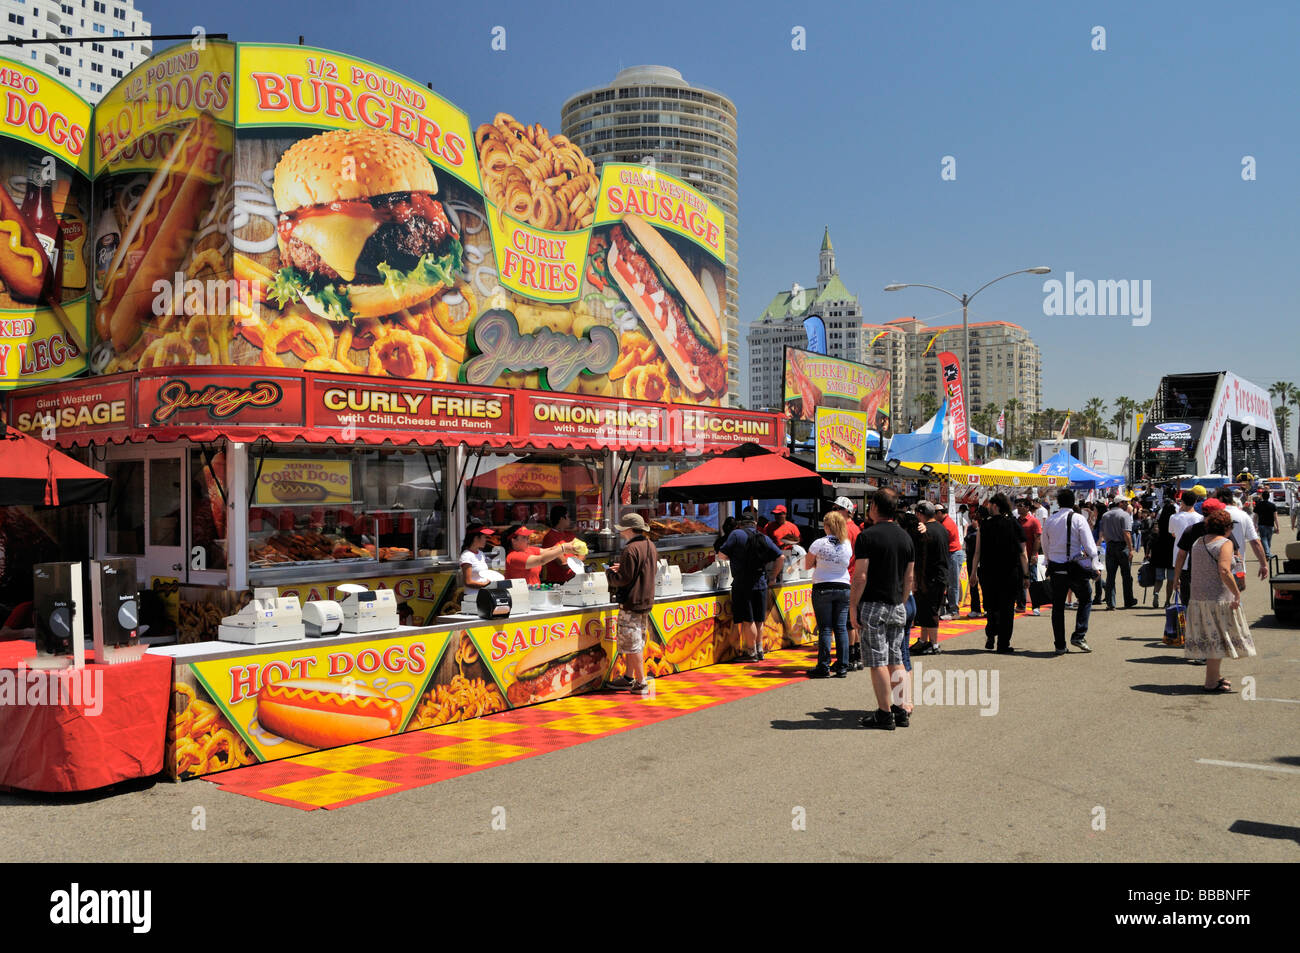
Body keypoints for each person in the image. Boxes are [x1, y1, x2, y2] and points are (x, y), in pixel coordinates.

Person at [849, 487, 915, 730]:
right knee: (896, 658)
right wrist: (902, 599)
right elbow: (909, 577)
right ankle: (900, 709)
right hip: (897, 604)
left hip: (873, 604)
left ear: (875, 507)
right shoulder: (906, 537)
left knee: (877, 660)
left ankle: (884, 713)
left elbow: (861, 575)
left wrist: (853, 605)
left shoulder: (868, 536)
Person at [1184, 508, 1256, 692]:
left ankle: (1214, 677)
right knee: (1217, 640)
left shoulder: (1198, 541)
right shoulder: (1225, 543)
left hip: (1199, 597)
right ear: (1226, 527)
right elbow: (1224, 570)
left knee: (1211, 639)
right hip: (1217, 598)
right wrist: (1237, 592)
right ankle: (1210, 681)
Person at [605, 514, 659, 696]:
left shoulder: (630, 549)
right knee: (637, 640)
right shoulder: (649, 545)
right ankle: (628, 677)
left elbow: (623, 579)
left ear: (628, 529)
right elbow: (642, 571)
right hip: (645, 600)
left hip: (631, 602)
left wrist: (609, 575)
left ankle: (641, 682)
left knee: (632, 642)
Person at [719, 511, 782, 661]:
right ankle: (760, 650)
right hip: (761, 583)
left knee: (748, 620)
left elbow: (721, 555)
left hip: (742, 584)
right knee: (760, 620)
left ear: (740, 524)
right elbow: (781, 556)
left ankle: (751, 652)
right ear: (754, 524)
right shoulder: (764, 537)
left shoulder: (736, 535)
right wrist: (772, 576)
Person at [1042, 488, 1098, 654]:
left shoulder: (1050, 520)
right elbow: (1090, 547)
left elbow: (1045, 546)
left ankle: (1059, 644)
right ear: (1073, 502)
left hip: (1056, 568)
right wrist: (1095, 566)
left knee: (1057, 607)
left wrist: (1048, 562)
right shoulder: (1078, 519)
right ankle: (1079, 635)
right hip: (1075, 568)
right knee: (1086, 598)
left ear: (1058, 502)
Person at [805, 510, 853, 678]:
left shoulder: (818, 543)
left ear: (827, 526)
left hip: (822, 585)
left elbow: (806, 564)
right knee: (840, 628)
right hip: (843, 586)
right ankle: (842, 666)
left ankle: (823, 666)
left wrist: (819, 563)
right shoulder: (846, 544)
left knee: (825, 628)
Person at [977, 493, 1028, 653]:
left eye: (990, 504)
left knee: (991, 606)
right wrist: (1026, 574)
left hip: (988, 572)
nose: (988, 507)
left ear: (995, 506)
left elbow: (977, 551)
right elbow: (1022, 552)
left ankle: (991, 633)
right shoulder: (1013, 523)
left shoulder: (984, 525)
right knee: (1006, 609)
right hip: (1009, 573)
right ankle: (1003, 643)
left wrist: (973, 572)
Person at [1174, 498, 1235, 608]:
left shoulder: (1191, 530)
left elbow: (1181, 556)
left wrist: (1176, 577)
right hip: (1218, 582)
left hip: (1193, 578)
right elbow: (1235, 555)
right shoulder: (1224, 531)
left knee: (1191, 613)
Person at [911, 502, 949, 655]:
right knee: (927, 610)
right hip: (941, 573)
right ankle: (923, 640)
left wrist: (915, 578)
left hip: (929, 576)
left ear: (920, 514)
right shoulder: (942, 528)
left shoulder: (925, 531)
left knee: (931, 609)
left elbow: (921, 557)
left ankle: (934, 643)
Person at [1214, 486, 1269, 584]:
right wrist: (1263, 564)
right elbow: (1255, 541)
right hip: (1237, 566)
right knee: (1236, 596)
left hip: (1215, 568)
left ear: (1221, 498)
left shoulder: (1214, 515)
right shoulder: (1243, 515)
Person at [1097, 499, 1138, 609]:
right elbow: (1127, 533)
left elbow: (1103, 533)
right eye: (1125, 502)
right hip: (1122, 546)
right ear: (1120, 503)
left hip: (1110, 546)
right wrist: (1131, 549)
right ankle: (1128, 600)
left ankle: (1111, 603)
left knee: (1111, 576)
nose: (1127, 504)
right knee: (1126, 576)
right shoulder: (1124, 515)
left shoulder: (1105, 515)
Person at [1165, 491, 1203, 605]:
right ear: (1195, 502)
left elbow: (1172, 533)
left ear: (1182, 501)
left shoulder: (1174, 517)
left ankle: (1185, 610)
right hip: (1197, 555)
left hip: (1179, 555)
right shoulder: (1201, 518)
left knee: (1183, 587)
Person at [504, 525, 574, 584]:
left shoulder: (529, 549)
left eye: (528, 537)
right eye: (524, 537)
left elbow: (550, 550)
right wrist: (563, 548)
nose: (528, 540)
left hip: (534, 593)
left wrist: (570, 545)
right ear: (514, 541)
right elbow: (541, 560)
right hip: (521, 596)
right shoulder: (513, 556)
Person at [1015, 498, 1043, 616]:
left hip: (1031, 556)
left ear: (1027, 507)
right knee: (1019, 581)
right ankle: (1021, 605)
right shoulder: (1016, 521)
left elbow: (1038, 539)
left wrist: (1034, 555)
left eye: (1020, 505)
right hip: (1019, 557)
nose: (1018, 508)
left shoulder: (1034, 521)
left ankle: (1036, 606)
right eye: (1017, 505)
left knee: (1032, 581)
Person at [541, 505, 578, 584]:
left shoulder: (570, 535)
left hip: (573, 579)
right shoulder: (550, 538)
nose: (569, 520)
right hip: (557, 582)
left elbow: (583, 552)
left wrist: (576, 559)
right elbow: (563, 563)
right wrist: (578, 560)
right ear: (562, 519)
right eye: (568, 517)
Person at [1150, 501, 1177, 608]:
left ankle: (1156, 593)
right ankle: (1167, 601)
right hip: (1171, 553)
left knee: (1159, 578)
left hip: (1159, 552)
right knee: (1170, 580)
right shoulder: (1174, 521)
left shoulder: (1160, 521)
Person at [939, 507, 964, 619]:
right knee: (952, 583)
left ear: (940, 513)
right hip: (953, 554)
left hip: (953, 554)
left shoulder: (946, 524)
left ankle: (954, 611)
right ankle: (952, 608)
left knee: (953, 584)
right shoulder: (946, 522)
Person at [458, 524, 498, 591]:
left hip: (482, 595)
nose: (486, 540)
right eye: (484, 537)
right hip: (472, 597)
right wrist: (484, 585)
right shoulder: (466, 556)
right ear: (476, 538)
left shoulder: (481, 553)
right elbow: (468, 582)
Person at [964, 504, 986, 619]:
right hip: (971, 559)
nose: (973, 518)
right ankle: (975, 608)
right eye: (971, 515)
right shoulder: (970, 528)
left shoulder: (985, 526)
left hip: (982, 560)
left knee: (985, 585)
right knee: (973, 585)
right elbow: (967, 539)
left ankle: (987, 608)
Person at [1254, 491, 1279, 560]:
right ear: (1269, 497)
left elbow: (1255, 516)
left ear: (1262, 496)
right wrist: (1277, 526)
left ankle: (1266, 553)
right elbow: (1275, 517)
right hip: (1270, 525)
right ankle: (1268, 554)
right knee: (1267, 540)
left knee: (1264, 539)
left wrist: (1255, 525)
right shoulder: (1272, 505)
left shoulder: (1258, 505)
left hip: (1261, 524)